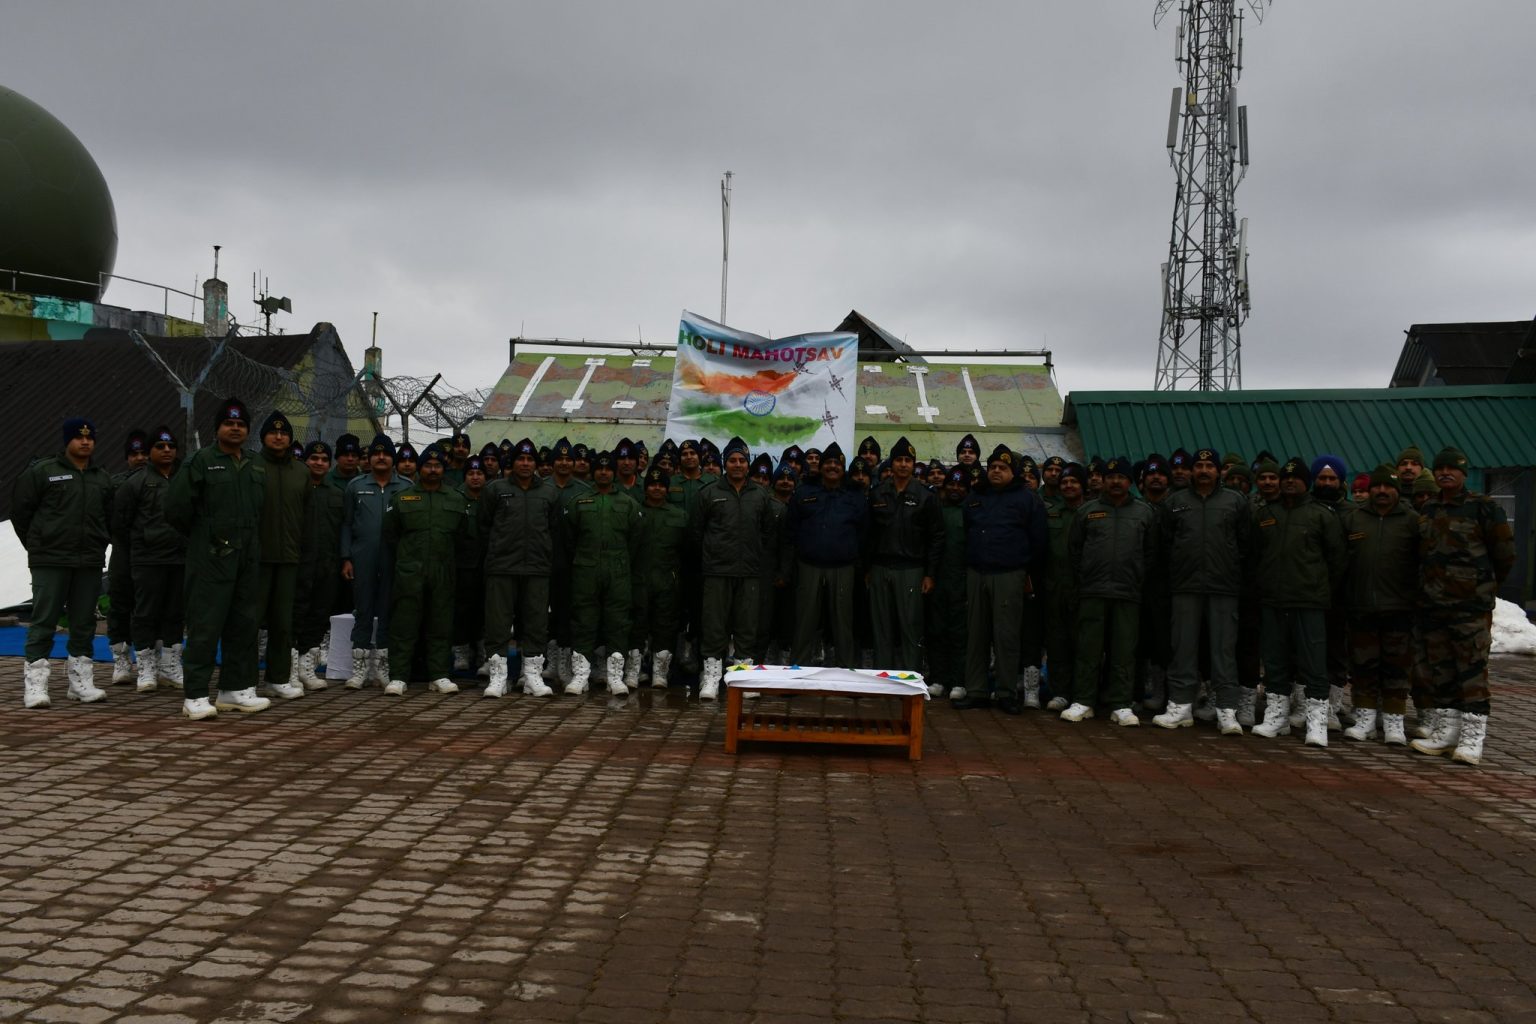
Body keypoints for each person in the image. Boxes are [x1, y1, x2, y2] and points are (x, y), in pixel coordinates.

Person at [164, 399, 271, 719]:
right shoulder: (200, 462)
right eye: (229, 423)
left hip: (246, 557)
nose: (235, 428)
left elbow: (259, 509)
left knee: (244, 624)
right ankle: (195, 695)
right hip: (210, 559)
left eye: (240, 424)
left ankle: (234, 689)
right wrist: (204, 537)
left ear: (247, 430)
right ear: (218, 428)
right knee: (205, 625)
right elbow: (175, 509)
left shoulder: (255, 464)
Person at [1409, 447, 1515, 765]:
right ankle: (1446, 733)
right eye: (1440, 469)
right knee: (1441, 672)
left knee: (1471, 673)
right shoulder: (1428, 510)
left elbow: (1505, 554)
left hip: (1470, 608)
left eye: (1452, 469)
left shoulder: (1483, 508)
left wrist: (1483, 588)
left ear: (1463, 474)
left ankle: (1473, 738)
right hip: (1434, 606)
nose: (1445, 474)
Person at [13, 417, 114, 708]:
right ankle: (36, 685)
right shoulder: (43, 472)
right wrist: (38, 545)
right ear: (67, 440)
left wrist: (100, 541)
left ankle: (80, 682)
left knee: (84, 621)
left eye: (90, 438)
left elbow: (110, 517)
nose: (85, 442)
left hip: (88, 561)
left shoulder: (101, 477)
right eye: (79, 437)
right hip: (50, 560)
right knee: (44, 620)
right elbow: (21, 513)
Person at [1249, 457, 1346, 746]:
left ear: (1307, 482)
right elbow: (1255, 555)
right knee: (1275, 662)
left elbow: (1337, 559)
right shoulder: (1267, 514)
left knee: (1313, 663)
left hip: (1309, 601)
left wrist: (1319, 587)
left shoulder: (1321, 515)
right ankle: (1276, 716)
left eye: (1297, 478)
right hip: (1273, 600)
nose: (1290, 482)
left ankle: (1317, 721)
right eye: (1286, 477)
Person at [1155, 447, 1252, 734]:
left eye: (1210, 466)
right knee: (1182, 648)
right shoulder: (1175, 502)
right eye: (1199, 465)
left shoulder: (1236, 502)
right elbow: (1165, 545)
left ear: (1218, 470)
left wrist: (1234, 574)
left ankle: (1226, 710)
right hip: (1185, 585)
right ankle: (1180, 706)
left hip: (1224, 587)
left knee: (1224, 651)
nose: (1204, 470)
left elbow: (1245, 546)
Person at [953, 446, 1047, 714]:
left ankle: (1006, 692)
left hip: (1009, 573)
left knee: (1005, 636)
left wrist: (1028, 574)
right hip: (976, 572)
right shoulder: (975, 496)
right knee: (976, 635)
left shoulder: (1027, 499)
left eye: (1002, 467)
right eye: (992, 466)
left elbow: (1038, 542)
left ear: (1012, 472)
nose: (996, 471)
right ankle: (976, 690)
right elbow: (966, 534)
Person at [1064, 456, 1157, 726]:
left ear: (1130, 482)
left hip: (1128, 593)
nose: (1115, 481)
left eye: (1121, 477)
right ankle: (1083, 701)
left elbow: (1150, 554)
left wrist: (1137, 578)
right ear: (1103, 481)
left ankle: (1121, 705)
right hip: (1093, 591)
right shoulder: (1087, 511)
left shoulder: (1144, 512)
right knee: (1088, 650)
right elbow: (1075, 551)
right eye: (1110, 477)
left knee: (1124, 651)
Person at [381, 444, 472, 695]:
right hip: (409, 572)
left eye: (438, 465)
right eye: (428, 466)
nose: (433, 470)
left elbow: (463, 537)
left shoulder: (455, 499)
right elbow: (390, 535)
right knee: (404, 625)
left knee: (441, 624)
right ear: (420, 469)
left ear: (444, 469)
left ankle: (439, 675)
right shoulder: (403, 498)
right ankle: (398, 676)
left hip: (443, 572)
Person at [1339, 465, 1419, 745]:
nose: (1382, 491)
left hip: (1399, 608)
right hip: (1361, 607)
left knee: (1396, 667)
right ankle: (1365, 719)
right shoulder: (1354, 519)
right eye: (1377, 487)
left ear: (1397, 491)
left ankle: (1394, 721)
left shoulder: (1411, 521)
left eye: (1388, 487)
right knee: (1362, 666)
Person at [692, 437, 777, 698]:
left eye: (742, 460)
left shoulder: (761, 495)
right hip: (717, 571)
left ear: (748, 464)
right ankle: (711, 678)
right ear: (724, 463)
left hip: (749, 572)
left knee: (746, 627)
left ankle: (742, 680)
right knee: (714, 627)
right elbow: (696, 533)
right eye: (732, 460)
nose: (737, 465)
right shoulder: (709, 493)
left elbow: (767, 533)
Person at [481, 438, 561, 697]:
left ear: (536, 464)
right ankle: (498, 678)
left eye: (530, 460)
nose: (525, 464)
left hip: (537, 569)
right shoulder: (495, 489)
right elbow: (483, 526)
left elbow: (555, 530)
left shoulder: (549, 492)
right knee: (498, 624)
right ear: (512, 463)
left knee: (536, 624)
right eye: (520, 459)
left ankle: (532, 677)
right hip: (502, 568)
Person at [113, 426, 186, 692]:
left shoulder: (186, 478)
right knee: (144, 613)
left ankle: (169, 665)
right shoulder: (135, 483)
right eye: (159, 446)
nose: (166, 451)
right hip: (147, 559)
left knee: (175, 613)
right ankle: (145, 666)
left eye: (170, 446)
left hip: (179, 558)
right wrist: (142, 544)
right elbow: (121, 525)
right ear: (151, 450)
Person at [563, 450, 640, 696]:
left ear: (614, 471)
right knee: (583, 621)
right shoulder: (579, 501)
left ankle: (615, 677)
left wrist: (622, 561)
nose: (604, 472)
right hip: (585, 569)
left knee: (618, 623)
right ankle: (581, 676)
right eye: (599, 469)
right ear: (593, 472)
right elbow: (568, 538)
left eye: (608, 469)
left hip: (618, 569)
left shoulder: (628, 503)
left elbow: (636, 540)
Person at [787, 442, 868, 669]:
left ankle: (846, 674)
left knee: (843, 623)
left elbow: (864, 532)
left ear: (843, 469)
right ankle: (797, 672)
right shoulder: (804, 492)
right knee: (804, 622)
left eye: (837, 463)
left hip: (843, 568)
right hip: (809, 566)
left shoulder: (855, 496)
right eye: (828, 463)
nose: (832, 467)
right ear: (820, 467)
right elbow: (791, 529)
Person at [866, 436, 943, 673]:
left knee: (911, 627)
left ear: (913, 464)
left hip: (911, 570)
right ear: (891, 464)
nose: (902, 464)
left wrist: (930, 574)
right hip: (880, 568)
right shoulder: (878, 494)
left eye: (907, 460)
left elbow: (936, 537)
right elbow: (868, 534)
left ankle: (910, 679)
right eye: (898, 459)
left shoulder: (926, 496)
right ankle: (883, 680)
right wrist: (868, 569)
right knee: (881, 628)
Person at [341, 435, 410, 688]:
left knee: (388, 610)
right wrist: (346, 557)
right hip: (362, 557)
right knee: (363, 610)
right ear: (369, 459)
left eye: (386, 454)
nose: (381, 458)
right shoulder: (355, 486)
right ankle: (359, 670)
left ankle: (383, 665)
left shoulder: (405, 487)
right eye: (376, 454)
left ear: (393, 459)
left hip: (394, 558)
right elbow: (347, 524)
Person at [254, 411, 308, 701]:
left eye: (284, 433)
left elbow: (307, 514)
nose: (278, 437)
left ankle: (278, 678)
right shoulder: (251, 466)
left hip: (289, 557)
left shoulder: (301, 472)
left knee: (282, 623)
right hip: (257, 558)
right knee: (249, 622)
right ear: (263, 436)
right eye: (273, 432)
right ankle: (244, 680)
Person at [630, 464, 689, 689]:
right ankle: (633, 672)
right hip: (640, 580)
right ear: (645, 488)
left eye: (661, 485)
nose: (656, 489)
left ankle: (660, 673)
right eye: (652, 484)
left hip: (668, 582)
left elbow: (687, 551)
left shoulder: (679, 515)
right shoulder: (634, 512)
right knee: (636, 627)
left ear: (667, 489)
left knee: (665, 628)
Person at [294, 440, 343, 690]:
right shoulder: (296, 490)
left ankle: (307, 668)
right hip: (298, 563)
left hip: (326, 565)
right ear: (305, 461)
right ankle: (289, 669)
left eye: (324, 460)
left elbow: (342, 530)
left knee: (318, 616)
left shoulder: (335, 493)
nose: (319, 463)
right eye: (314, 459)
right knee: (294, 616)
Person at [1040, 461, 1086, 711]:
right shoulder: (1052, 512)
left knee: (1081, 643)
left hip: (1082, 588)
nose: (1068, 485)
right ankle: (1060, 693)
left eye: (1073, 482)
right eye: (1065, 482)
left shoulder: (1091, 511)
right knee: (1057, 642)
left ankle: (1081, 693)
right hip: (1054, 586)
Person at [107, 428, 150, 684]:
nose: (140, 458)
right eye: (134, 454)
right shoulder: (115, 484)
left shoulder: (164, 481)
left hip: (152, 554)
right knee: (120, 605)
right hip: (123, 552)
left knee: (150, 608)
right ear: (126, 457)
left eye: (144, 452)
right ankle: (121, 659)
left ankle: (151, 661)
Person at [926, 467, 971, 699]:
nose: (955, 489)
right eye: (951, 485)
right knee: (936, 630)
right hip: (937, 579)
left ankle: (958, 681)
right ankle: (937, 678)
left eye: (960, 486)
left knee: (959, 633)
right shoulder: (936, 510)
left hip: (961, 581)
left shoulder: (971, 512)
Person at [451, 454, 489, 674]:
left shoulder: (491, 497)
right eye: (471, 473)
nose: (475, 477)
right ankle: (462, 650)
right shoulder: (455, 497)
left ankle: (483, 651)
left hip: (486, 562)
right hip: (462, 563)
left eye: (480, 473)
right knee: (462, 609)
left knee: (485, 609)